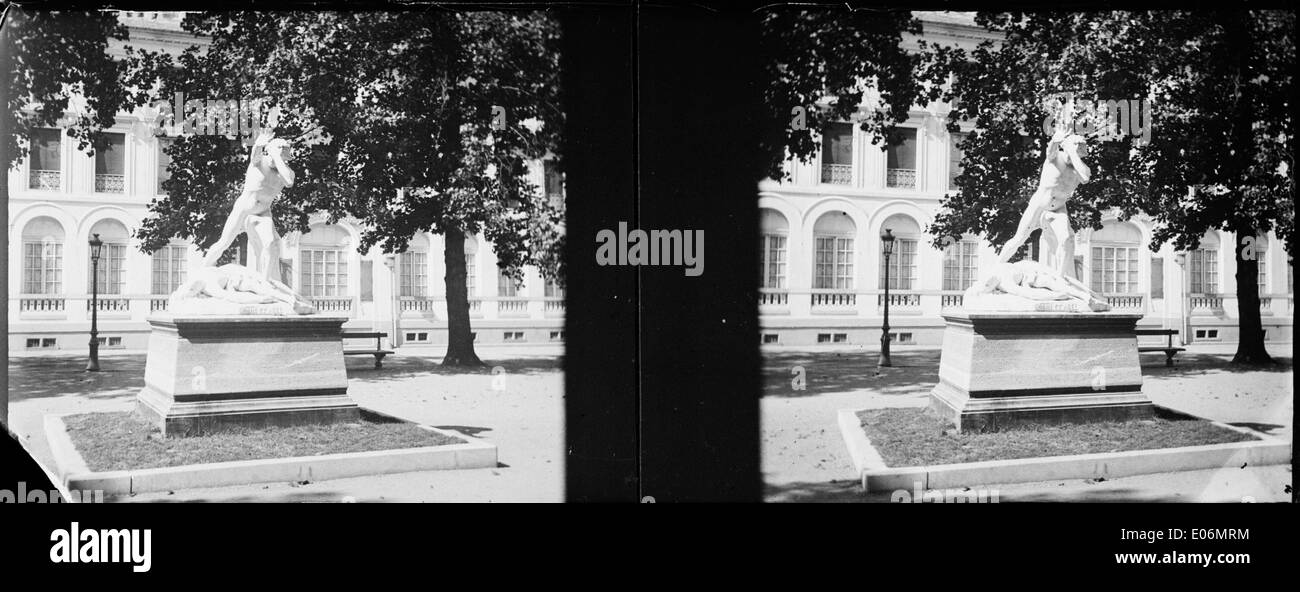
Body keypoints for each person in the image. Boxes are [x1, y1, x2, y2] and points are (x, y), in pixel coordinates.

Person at [201, 130, 296, 282]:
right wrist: (260, 144)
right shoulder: (259, 162)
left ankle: (265, 282)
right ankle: (203, 271)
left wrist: (277, 156)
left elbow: (289, 182)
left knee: (271, 243)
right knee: (223, 243)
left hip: (263, 212)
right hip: (244, 208)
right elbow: (255, 154)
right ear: (268, 152)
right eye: (273, 154)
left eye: (281, 155)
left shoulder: (286, 172)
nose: (274, 159)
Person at [997, 129, 1091, 279]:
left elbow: (1085, 178)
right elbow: (1050, 149)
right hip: (1039, 205)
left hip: (1058, 209)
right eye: (1081, 148)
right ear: (1073, 146)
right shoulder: (1055, 158)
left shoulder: (1081, 168)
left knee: (1067, 238)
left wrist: (1072, 153)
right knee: (1019, 239)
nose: (1085, 151)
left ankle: (1061, 278)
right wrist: (1056, 139)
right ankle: (997, 268)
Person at [967, 260, 1110, 312]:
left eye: (985, 283)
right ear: (989, 290)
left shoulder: (990, 269)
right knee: (1059, 286)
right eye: (987, 286)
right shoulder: (1006, 285)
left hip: (1028, 266)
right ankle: (1086, 297)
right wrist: (1055, 296)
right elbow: (1029, 294)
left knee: (1062, 279)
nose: (988, 283)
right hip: (1031, 279)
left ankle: (1089, 295)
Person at [172, 264, 316, 314]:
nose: (192, 287)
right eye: (192, 291)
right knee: (268, 290)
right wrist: (260, 300)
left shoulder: (197, 272)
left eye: (189, 288)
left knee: (271, 283)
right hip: (238, 282)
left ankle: (296, 298)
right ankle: (292, 301)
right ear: (195, 294)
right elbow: (234, 297)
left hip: (239, 272)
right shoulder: (211, 288)